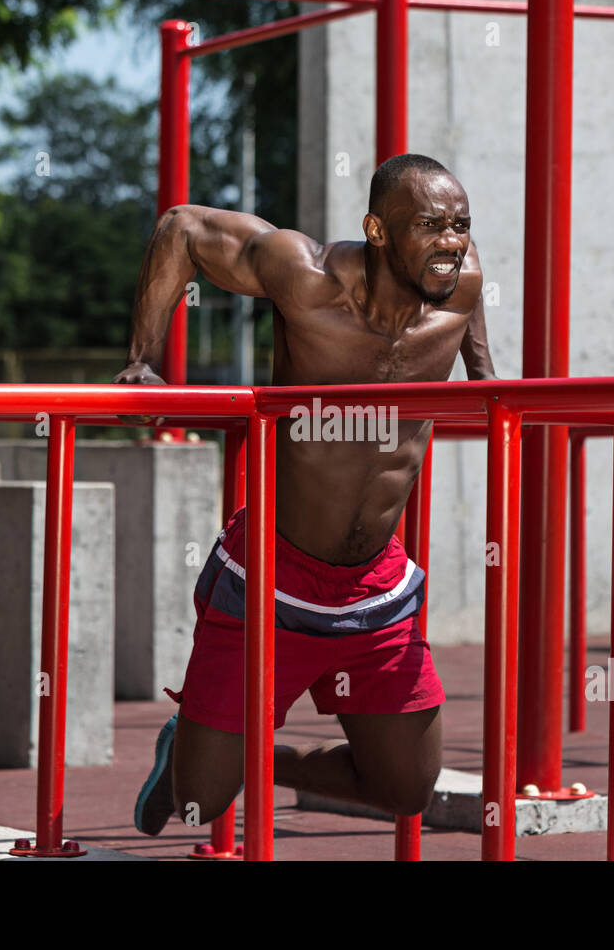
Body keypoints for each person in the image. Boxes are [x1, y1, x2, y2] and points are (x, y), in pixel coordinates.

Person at [116, 153, 497, 836]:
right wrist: (142, 362)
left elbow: (485, 382)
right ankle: (192, 747)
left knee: (408, 788)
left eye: (461, 226)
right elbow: (180, 227)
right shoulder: (306, 276)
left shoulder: (461, 284)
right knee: (199, 800)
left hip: (376, 588)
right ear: (377, 230)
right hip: (273, 579)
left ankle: (267, 762)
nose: (451, 242)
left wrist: (496, 394)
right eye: (431, 226)